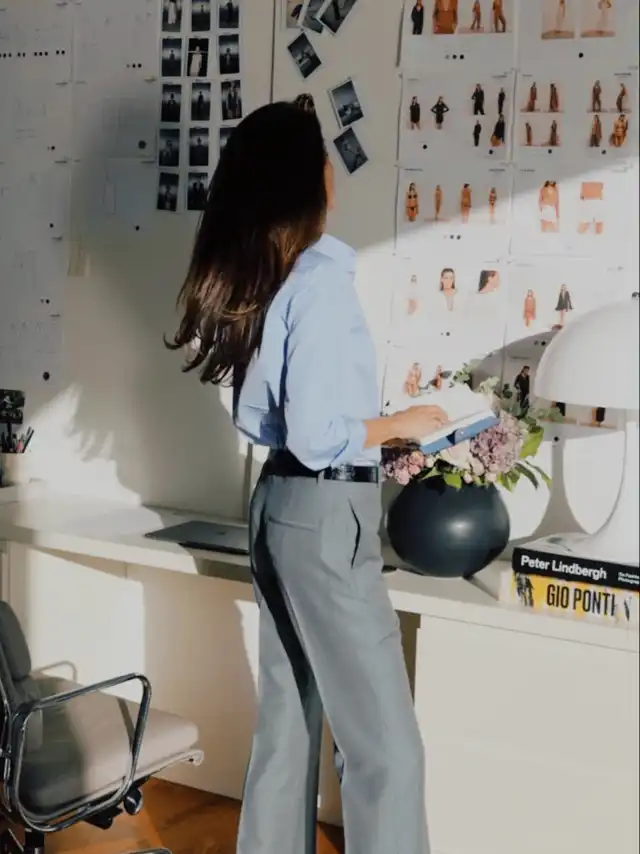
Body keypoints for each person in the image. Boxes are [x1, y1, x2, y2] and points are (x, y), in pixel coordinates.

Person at [165, 93, 445, 854]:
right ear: (309, 177)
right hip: (324, 515)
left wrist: (370, 435)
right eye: (324, 156)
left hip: (278, 503)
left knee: (289, 719)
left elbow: (259, 420)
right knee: (387, 747)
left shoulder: (264, 274)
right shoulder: (318, 278)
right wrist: (401, 424)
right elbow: (323, 437)